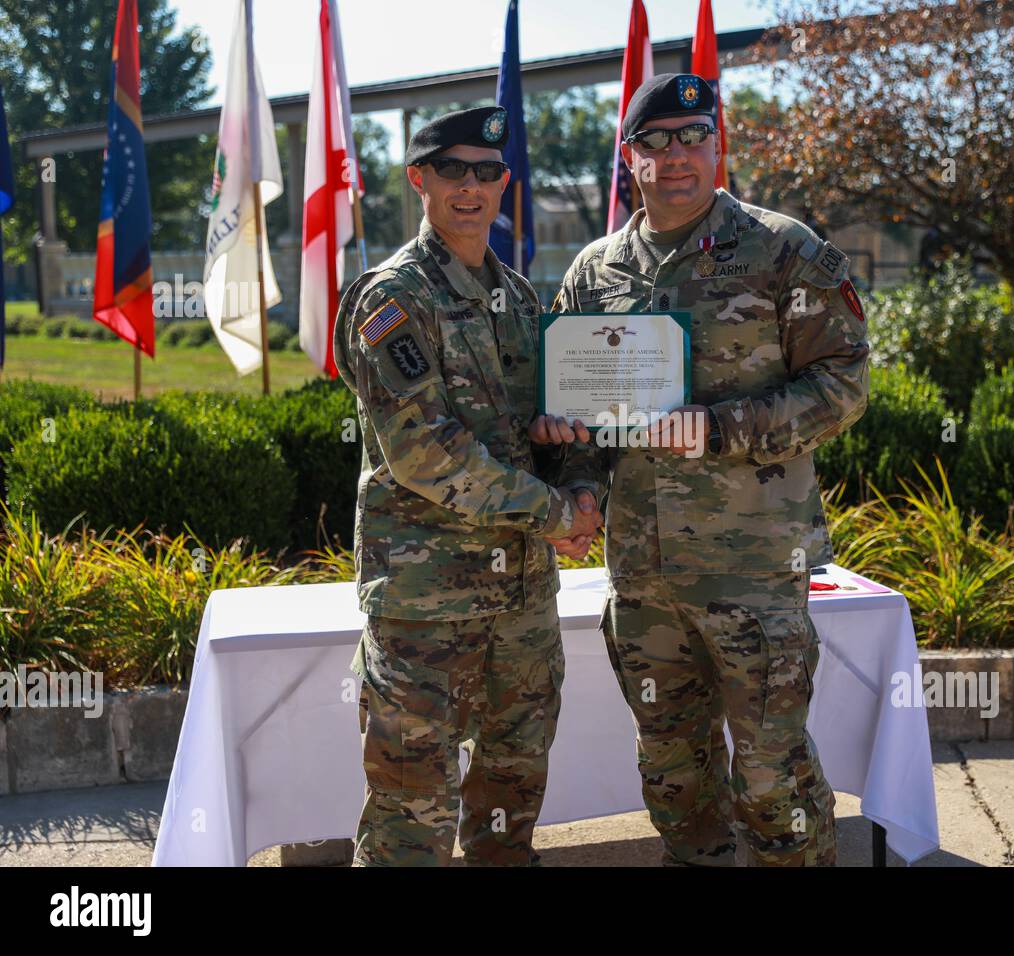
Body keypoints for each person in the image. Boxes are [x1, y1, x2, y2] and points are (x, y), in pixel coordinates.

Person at [533, 73, 871, 865]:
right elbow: (573, 409)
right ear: (632, 157)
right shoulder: (594, 271)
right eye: (657, 142)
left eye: (694, 137)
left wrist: (718, 429)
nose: (677, 155)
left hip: (751, 567)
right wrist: (573, 467)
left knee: (770, 775)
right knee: (672, 772)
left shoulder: (785, 249)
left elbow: (843, 386)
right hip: (643, 575)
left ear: (717, 145)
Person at [333, 106, 603, 866]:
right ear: (419, 178)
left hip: (521, 602)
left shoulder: (520, 300)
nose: (470, 187)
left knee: (508, 808)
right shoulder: (391, 300)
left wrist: (584, 489)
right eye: (452, 169)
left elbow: (562, 423)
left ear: (504, 184)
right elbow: (426, 453)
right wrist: (555, 513)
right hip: (426, 606)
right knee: (408, 819)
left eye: (487, 172)